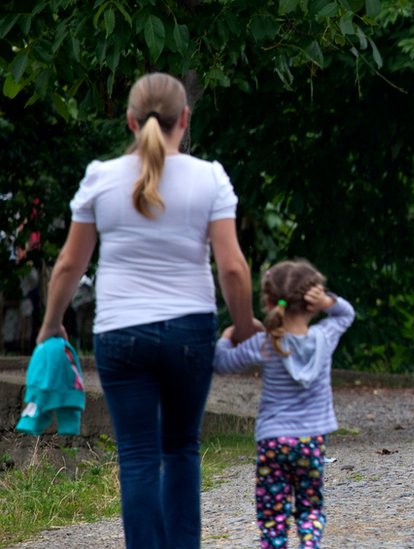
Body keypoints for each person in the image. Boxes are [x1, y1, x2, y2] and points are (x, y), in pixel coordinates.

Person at [36, 72, 258, 548]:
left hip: (121, 334)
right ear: (185, 119)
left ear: (131, 121)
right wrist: (243, 326)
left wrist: (51, 325)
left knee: (137, 456)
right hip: (190, 332)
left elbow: (70, 263)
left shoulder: (100, 178)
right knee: (181, 449)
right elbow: (233, 267)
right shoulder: (210, 178)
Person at [213, 259, 355, 548]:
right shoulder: (324, 337)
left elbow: (222, 363)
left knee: (273, 511)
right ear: (312, 305)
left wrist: (227, 338)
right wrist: (327, 301)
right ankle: (309, 543)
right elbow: (346, 314)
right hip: (311, 439)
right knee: (310, 505)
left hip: (273, 439)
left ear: (268, 302)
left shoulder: (265, 343)